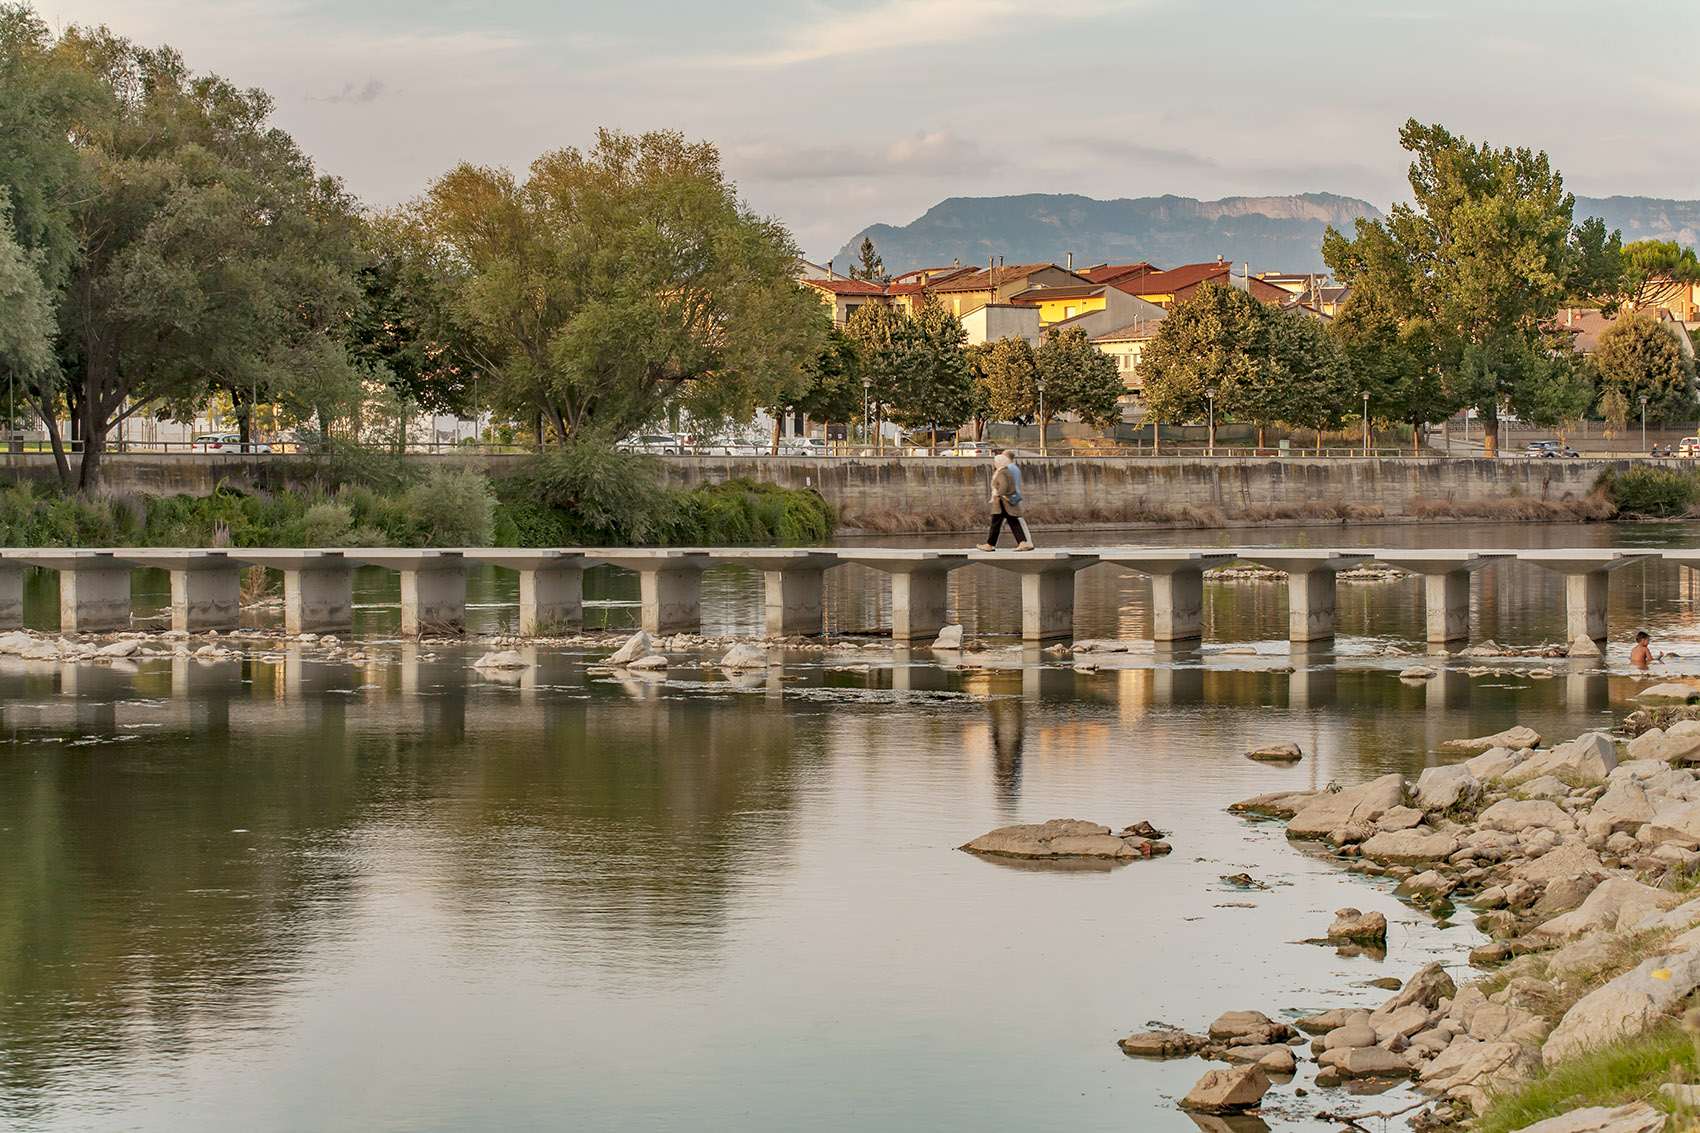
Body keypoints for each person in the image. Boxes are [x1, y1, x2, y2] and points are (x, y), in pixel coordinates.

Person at [977, 451, 1033, 551]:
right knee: (1013, 522)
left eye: (995, 462)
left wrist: (997, 495)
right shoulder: (1007, 471)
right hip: (1007, 503)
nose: (994, 463)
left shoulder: (1002, 472)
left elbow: (1004, 486)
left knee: (996, 524)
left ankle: (989, 545)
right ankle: (1022, 543)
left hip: (1002, 502)